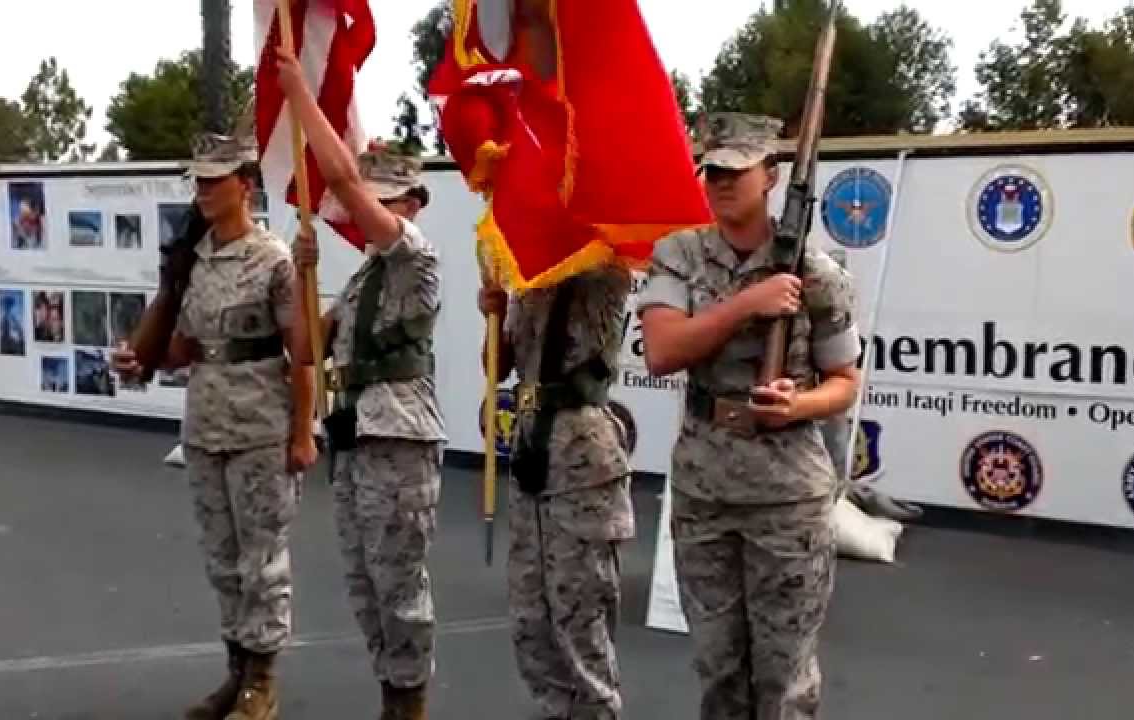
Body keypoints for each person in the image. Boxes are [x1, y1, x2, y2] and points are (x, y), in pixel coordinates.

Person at [636, 112, 862, 719]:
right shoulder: (679, 255)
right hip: (704, 492)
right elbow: (662, 352)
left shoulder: (817, 273)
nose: (722, 183)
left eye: (737, 171)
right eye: (713, 171)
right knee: (719, 671)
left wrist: (798, 404)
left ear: (771, 175)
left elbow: (844, 382)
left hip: (788, 497)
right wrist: (746, 305)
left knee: (784, 678)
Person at [111, 129, 318, 720]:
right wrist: (142, 358)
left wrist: (303, 433)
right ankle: (236, 672)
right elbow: (187, 346)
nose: (202, 191)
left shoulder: (273, 259)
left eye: (213, 181)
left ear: (244, 186)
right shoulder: (192, 259)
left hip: (261, 428)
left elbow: (301, 353)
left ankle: (262, 682)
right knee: (222, 562)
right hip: (204, 427)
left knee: (262, 563)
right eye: (197, 181)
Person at [276, 48, 445, 720]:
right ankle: (392, 697)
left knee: (399, 584)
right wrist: (301, 275)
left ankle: (409, 703)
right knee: (365, 584)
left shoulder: (414, 258)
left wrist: (301, 96)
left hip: (398, 440)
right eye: (373, 196)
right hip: (353, 438)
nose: (369, 206)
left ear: (413, 203)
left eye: (386, 198)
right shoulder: (363, 279)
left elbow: (343, 182)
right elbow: (304, 349)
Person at [476, 258, 636, 717]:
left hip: (582, 460)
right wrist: (494, 314)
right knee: (531, 616)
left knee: (580, 614)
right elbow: (497, 367)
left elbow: (606, 282)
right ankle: (555, 710)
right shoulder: (530, 280)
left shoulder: (603, 271)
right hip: (532, 450)